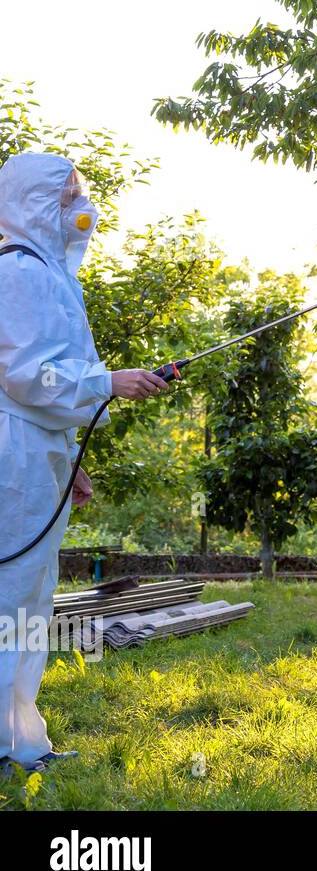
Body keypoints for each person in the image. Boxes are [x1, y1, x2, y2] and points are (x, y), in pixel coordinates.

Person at [0, 152, 169, 776]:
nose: (79, 206)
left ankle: (19, 741)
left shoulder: (49, 274)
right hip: (11, 454)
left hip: (33, 451)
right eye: (65, 195)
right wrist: (107, 381)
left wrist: (68, 460)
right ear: (33, 203)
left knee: (29, 601)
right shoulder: (17, 272)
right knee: (7, 598)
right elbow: (24, 374)